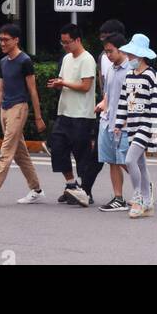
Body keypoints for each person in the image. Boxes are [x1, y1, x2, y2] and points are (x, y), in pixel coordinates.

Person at [0, 24, 47, 206]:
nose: (2, 43)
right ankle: (36, 190)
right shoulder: (3, 62)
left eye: (6, 39)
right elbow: (0, 90)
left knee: (6, 150)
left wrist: (38, 117)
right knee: (20, 154)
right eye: (0, 39)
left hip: (19, 108)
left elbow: (33, 90)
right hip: (5, 110)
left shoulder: (25, 61)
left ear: (16, 40)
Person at [46, 24, 97, 206]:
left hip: (82, 114)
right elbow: (65, 81)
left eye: (68, 42)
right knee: (58, 149)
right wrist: (60, 84)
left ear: (77, 40)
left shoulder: (87, 59)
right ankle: (70, 185)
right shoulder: (67, 58)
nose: (65, 45)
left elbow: (86, 86)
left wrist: (64, 83)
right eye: (63, 42)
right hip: (64, 111)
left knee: (81, 154)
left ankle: (86, 190)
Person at [114, 33, 157, 219]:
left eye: (132, 55)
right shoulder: (129, 76)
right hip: (132, 126)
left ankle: (138, 198)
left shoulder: (152, 76)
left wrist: (155, 131)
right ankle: (148, 201)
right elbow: (123, 102)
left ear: (141, 56)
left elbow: (156, 105)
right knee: (140, 163)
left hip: (145, 125)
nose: (129, 58)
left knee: (129, 160)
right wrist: (119, 123)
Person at [95, 32, 131, 212]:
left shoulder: (131, 70)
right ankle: (119, 198)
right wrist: (103, 104)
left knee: (127, 160)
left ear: (121, 50)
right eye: (106, 52)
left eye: (111, 52)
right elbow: (108, 94)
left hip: (124, 124)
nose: (108, 56)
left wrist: (124, 120)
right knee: (112, 161)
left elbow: (133, 99)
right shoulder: (110, 69)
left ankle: (144, 186)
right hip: (108, 121)